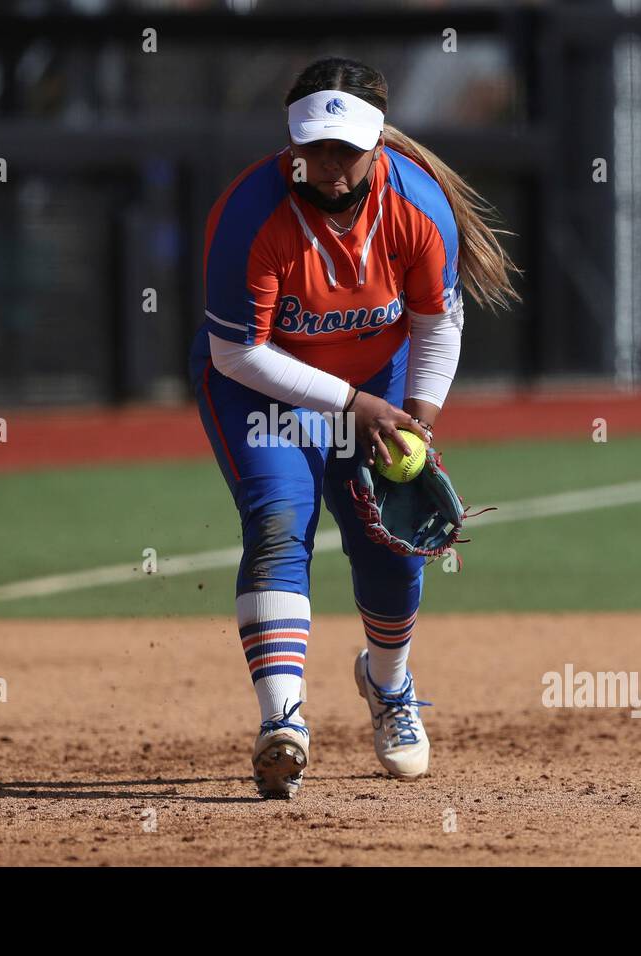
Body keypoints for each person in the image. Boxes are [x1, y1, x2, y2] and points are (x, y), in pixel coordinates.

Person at [187, 56, 520, 798]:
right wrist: (353, 406)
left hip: (378, 382)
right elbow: (238, 353)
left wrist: (420, 420)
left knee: (390, 541)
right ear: (291, 141)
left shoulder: (416, 205)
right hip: (262, 386)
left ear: (379, 143)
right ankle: (284, 725)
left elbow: (438, 325)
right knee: (279, 521)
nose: (331, 168)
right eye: (316, 148)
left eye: (348, 150)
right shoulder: (251, 213)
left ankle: (389, 687)